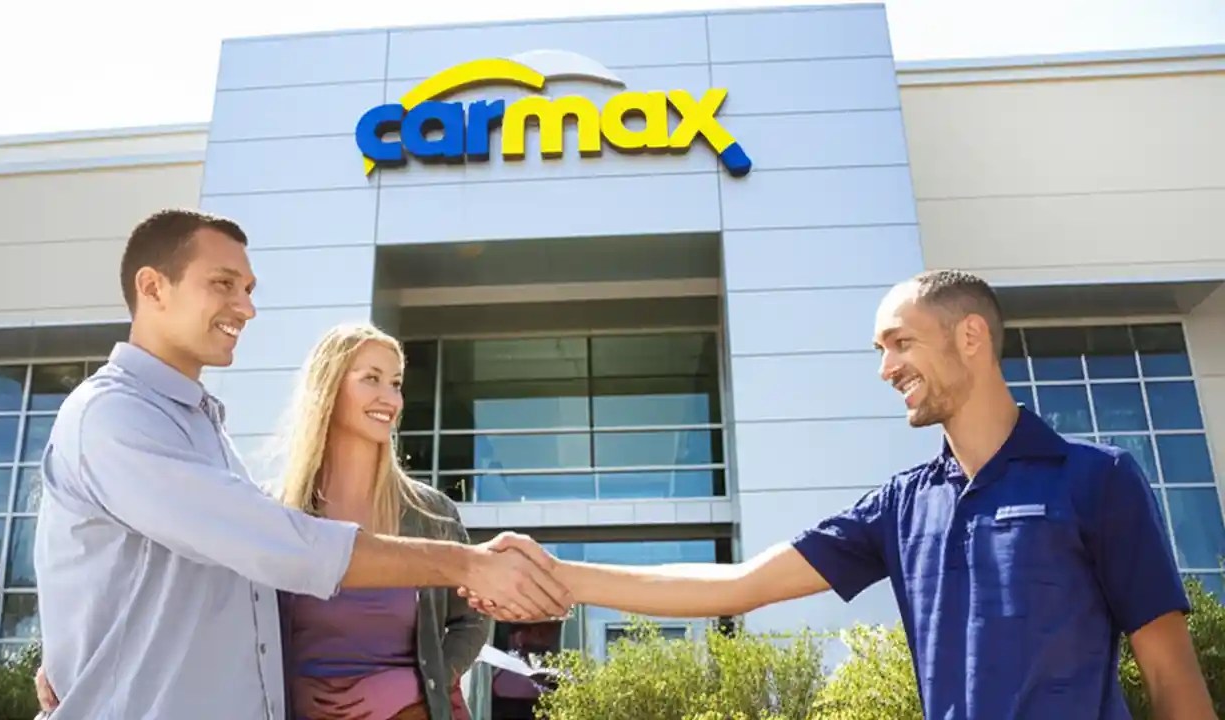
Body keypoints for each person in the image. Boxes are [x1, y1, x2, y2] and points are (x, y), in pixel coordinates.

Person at [465, 270, 1217, 719]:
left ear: (971, 337)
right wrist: (556, 575)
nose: (886, 367)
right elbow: (740, 583)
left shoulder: (1095, 477)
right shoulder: (901, 505)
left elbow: (1171, 677)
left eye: (900, 342)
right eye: (880, 350)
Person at [31, 209, 567, 719]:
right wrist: (466, 563)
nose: (247, 308)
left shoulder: (202, 430)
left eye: (249, 290)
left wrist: (87, 653)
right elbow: (276, 544)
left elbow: (212, 589)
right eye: (223, 284)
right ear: (153, 288)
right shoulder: (114, 415)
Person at [273, 323, 490, 720]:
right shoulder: (277, 514)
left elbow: (472, 620)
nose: (389, 397)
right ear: (329, 387)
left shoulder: (432, 514)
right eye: (371, 379)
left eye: (395, 383)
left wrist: (418, 682)